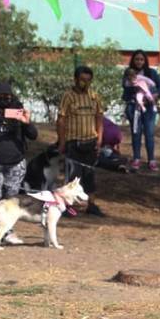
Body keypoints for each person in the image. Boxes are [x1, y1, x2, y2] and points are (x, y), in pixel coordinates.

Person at [0, 81, 37, 244]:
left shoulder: (18, 114)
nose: (5, 99)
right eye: (0, 96)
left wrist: (26, 122)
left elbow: (33, 135)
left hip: (15, 164)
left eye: (7, 96)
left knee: (11, 199)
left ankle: (8, 231)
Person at [58, 66, 105, 216]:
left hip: (90, 142)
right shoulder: (68, 96)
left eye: (88, 80)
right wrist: (62, 142)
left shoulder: (94, 96)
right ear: (75, 79)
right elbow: (61, 120)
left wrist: (99, 139)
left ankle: (91, 206)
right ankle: (67, 207)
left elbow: (99, 117)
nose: (85, 83)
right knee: (72, 178)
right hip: (73, 143)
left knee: (90, 176)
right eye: (82, 80)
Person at [122, 49, 160, 172]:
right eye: (137, 59)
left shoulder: (151, 73)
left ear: (145, 60)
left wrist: (154, 96)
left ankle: (151, 160)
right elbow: (125, 88)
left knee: (149, 133)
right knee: (136, 133)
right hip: (133, 107)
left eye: (141, 59)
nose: (139, 61)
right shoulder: (128, 73)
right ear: (133, 60)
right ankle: (136, 158)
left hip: (149, 108)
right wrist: (133, 85)